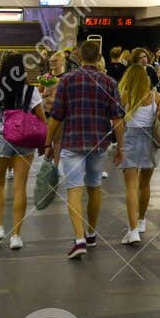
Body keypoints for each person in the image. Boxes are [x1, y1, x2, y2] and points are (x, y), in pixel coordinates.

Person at [46, 40, 125, 261]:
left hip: (72, 143)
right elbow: (117, 118)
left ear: (79, 57)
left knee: (74, 189)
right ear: (99, 57)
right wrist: (121, 146)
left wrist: (48, 142)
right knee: (95, 186)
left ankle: (79, 239)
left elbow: (57, 115)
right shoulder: (109, 82)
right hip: (99, 143)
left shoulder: (68, 80)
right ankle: (91, 234)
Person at [0, 51, 45, 250]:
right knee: (20, 187)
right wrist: (45, 143)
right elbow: (42, 119)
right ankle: (16, 236)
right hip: (24, 142)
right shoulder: (31, 91)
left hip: (0, 140)